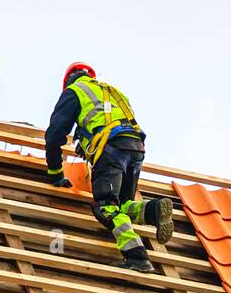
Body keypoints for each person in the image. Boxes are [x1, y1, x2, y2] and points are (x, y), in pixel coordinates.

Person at [44, 63, 172, 272]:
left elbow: (54, 135)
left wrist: (55, 173)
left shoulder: (74, 92)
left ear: (67, 81)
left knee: (105, 206)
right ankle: (152, 210)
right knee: (122, 205)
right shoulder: (112, 91)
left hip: (112, 149)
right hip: (136, 148)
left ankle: (137, 256)